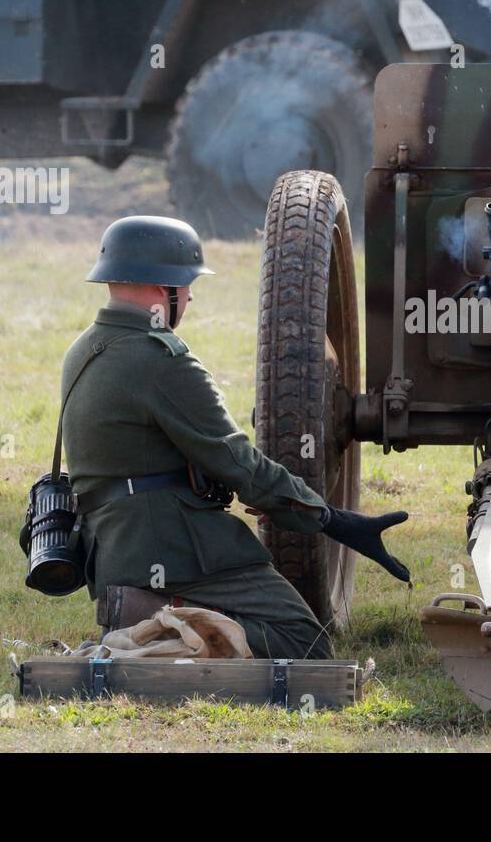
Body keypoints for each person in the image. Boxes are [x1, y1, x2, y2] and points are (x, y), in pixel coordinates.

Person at [61, 215, 409, 658]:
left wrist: (263, 498)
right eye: (184, 285)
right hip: (170, 547)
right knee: (305, 643)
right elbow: (239, 461)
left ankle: (154, 612)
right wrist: (331, 520)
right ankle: (161, 626)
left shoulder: (84, 350)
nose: (188, 296)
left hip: (114, 551)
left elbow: (148, 455)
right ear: (160, 288)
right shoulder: (161, 361)